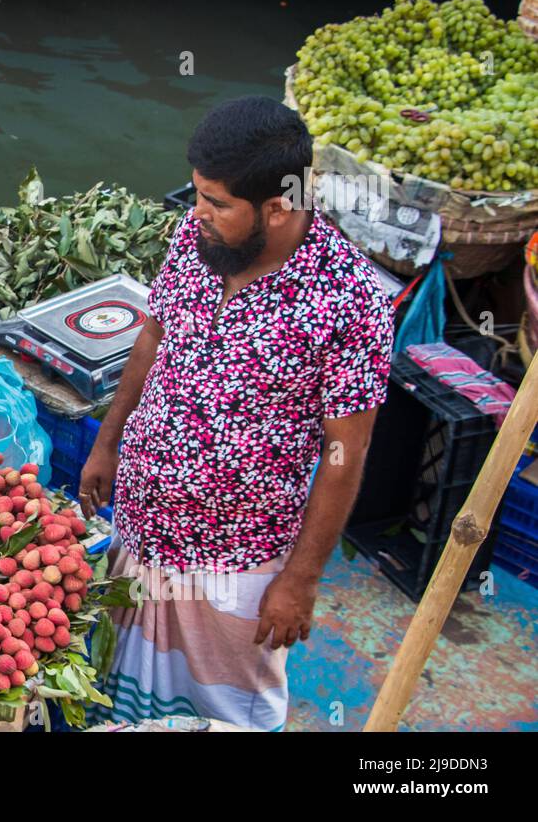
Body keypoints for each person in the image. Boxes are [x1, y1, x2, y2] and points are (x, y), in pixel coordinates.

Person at [77, 96, 395, 730]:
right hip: (143, 525)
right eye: (199, 195)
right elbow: (151, 336)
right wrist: (108, 442)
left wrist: (300, 579)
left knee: (227, 707)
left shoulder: (348, 299)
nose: (197, 214)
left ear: (278, 207)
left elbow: (345, 453)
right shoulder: (195, 241)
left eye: (217, 203)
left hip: (237, 557)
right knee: (121, 680)